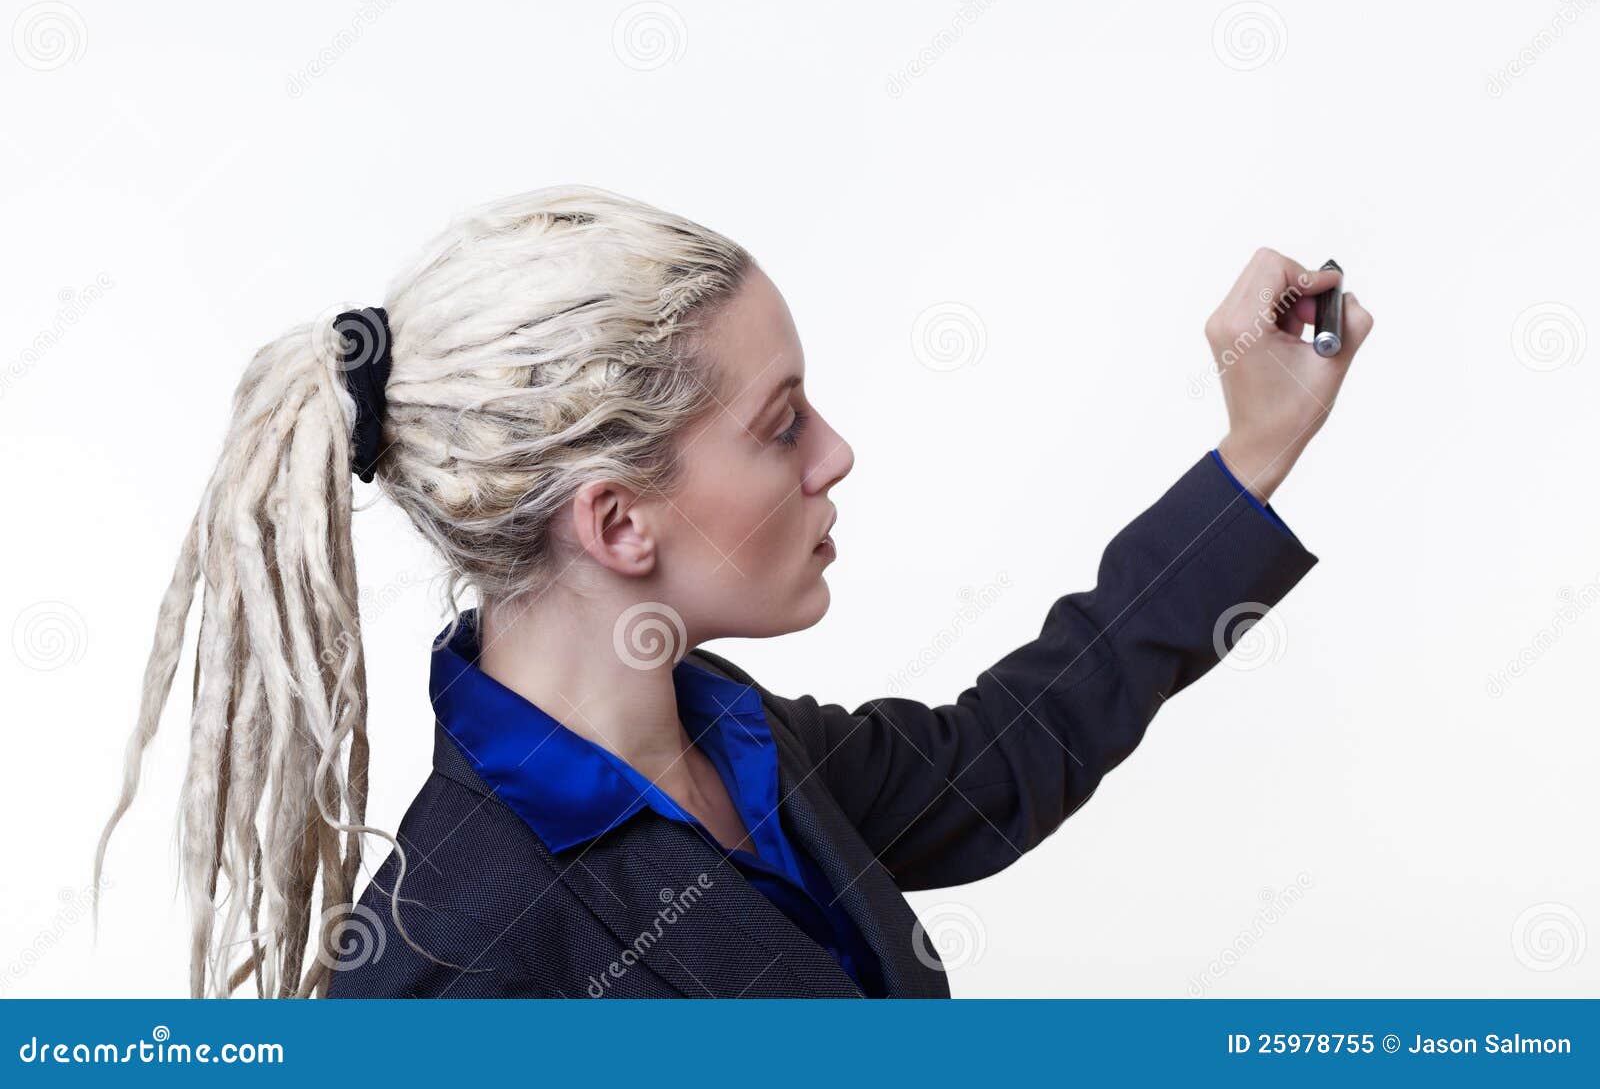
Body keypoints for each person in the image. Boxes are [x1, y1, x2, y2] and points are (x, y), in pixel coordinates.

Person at [93, 188, 1373, 997]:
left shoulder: (739, 737)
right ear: (618, 519)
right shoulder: (453, 958)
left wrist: (1254, 447)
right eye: (780, 424)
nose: (834, 454)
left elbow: (999, 758)